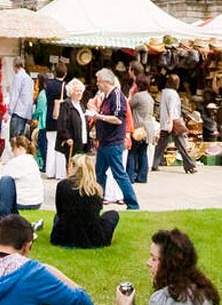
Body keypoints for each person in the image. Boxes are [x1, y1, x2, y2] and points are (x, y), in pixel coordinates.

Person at [90, 68, 141, 210]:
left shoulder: (117, 96)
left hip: (113, 142)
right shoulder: (106, 96)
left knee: (119, 174)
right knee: (99, 173)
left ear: (106, 82)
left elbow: (118, 119)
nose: (97, 84)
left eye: (99, 82)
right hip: (105, 142)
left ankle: (132, 203)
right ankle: (97, 201)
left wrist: (99, 117)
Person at [52, 153, 121, 248]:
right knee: (112, 214)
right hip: (92, 236)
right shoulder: (96, 189)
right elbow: (96, 213)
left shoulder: (62, 185)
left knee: (58, 217)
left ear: (74, 167)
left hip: (64, 236)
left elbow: (59, 211)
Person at [153, 73, 199, 175]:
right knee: (181, 144)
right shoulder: (173, 94)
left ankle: (155, 163)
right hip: (173, 122)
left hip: (165, 122)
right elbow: (171, 109)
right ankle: (190, 165)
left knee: (161, 145)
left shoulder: (164, 92)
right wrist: (170, 122)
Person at [0, 134, 44, 217]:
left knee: (4, 182)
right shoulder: (33, 161)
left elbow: (0, 183)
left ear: (20, 148)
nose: (12, 152)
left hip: (22, 202)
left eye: (13, 149)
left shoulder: (15, 162)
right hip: (37, 202)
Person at [56, 78, 90, 173]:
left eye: (80, 91)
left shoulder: (81, 105)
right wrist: (67, 137)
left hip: (82, 140)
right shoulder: (66, 105)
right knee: (73, 164)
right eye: (76, 91)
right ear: (71, 92)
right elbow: (62, 123)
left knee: (81, 165)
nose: (79, 93)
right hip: (72, 141)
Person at [127, 76, 155, 185]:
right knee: (143, 152)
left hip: (139, 127)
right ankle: (142, 176)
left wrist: (130, 93)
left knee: (132, 152)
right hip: (148, 128)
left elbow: (127, 104)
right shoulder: (149, 97)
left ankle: (130, 176)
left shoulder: (138, 96)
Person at [41, 68, 68, 179]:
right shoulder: (65, 87)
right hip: (61, 119)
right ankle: (59, 173)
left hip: (49, 118)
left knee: (51, 146)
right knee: (60, 145)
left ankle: (49, 171)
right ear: (65, 74)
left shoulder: (48, 84)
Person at [5, 56, 36, 151]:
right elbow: (31, 97)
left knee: (14, 139)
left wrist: (10, 110)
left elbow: (14, 95)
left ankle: (13, 156)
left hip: (18, 111)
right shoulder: (29, 78)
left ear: (14, 66)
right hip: (25, 112)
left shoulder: (18, 77)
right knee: (21, 138)